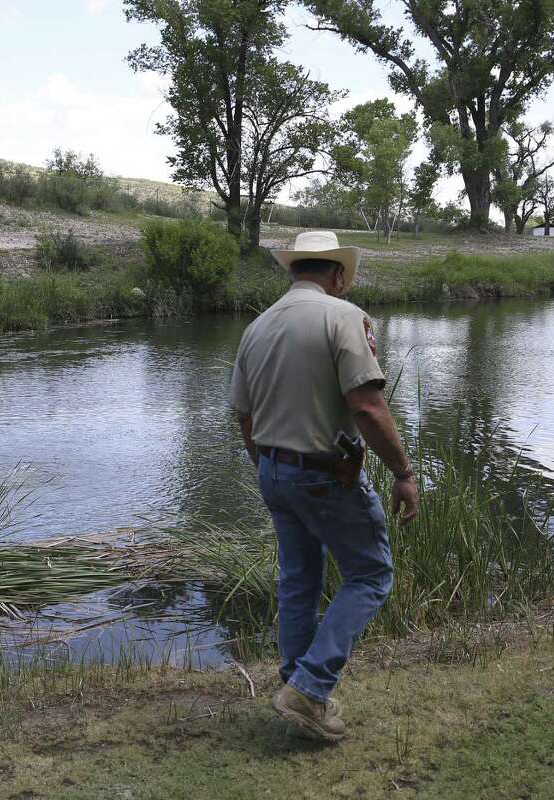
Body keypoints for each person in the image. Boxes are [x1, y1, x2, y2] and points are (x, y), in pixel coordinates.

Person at [229, 230, 419, 742]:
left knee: (298, 580)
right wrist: (403, 472)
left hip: (272, 469)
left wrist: (269, 469)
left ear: (294, 271)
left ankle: (296, 682)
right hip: (322, 474)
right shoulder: (344, 316)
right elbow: (367, 406)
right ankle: (311, 689)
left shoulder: (257, 327)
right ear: (337, 275)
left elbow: (243, 416)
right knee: (370, 575)